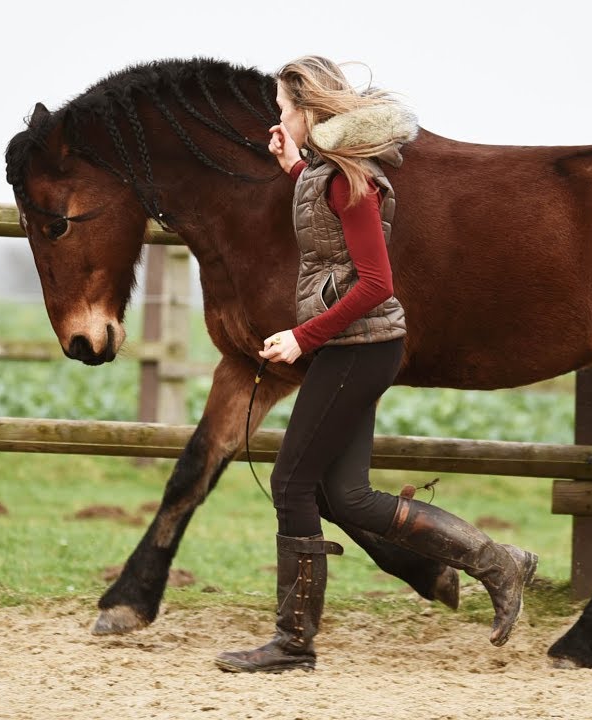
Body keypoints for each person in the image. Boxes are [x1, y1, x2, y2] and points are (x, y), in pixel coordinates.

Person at [215, 56, 538, 674]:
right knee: (345, 495)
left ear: (310, 111)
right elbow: (325, 228)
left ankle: (293, 644)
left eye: (285, 110)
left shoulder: (349, 182)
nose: (279, 119)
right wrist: (292, 165)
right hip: (352, 348)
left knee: (291, 483)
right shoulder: (325, 174)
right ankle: (500, 562)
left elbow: (375, 283)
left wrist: (301, 338)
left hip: (359, 349)